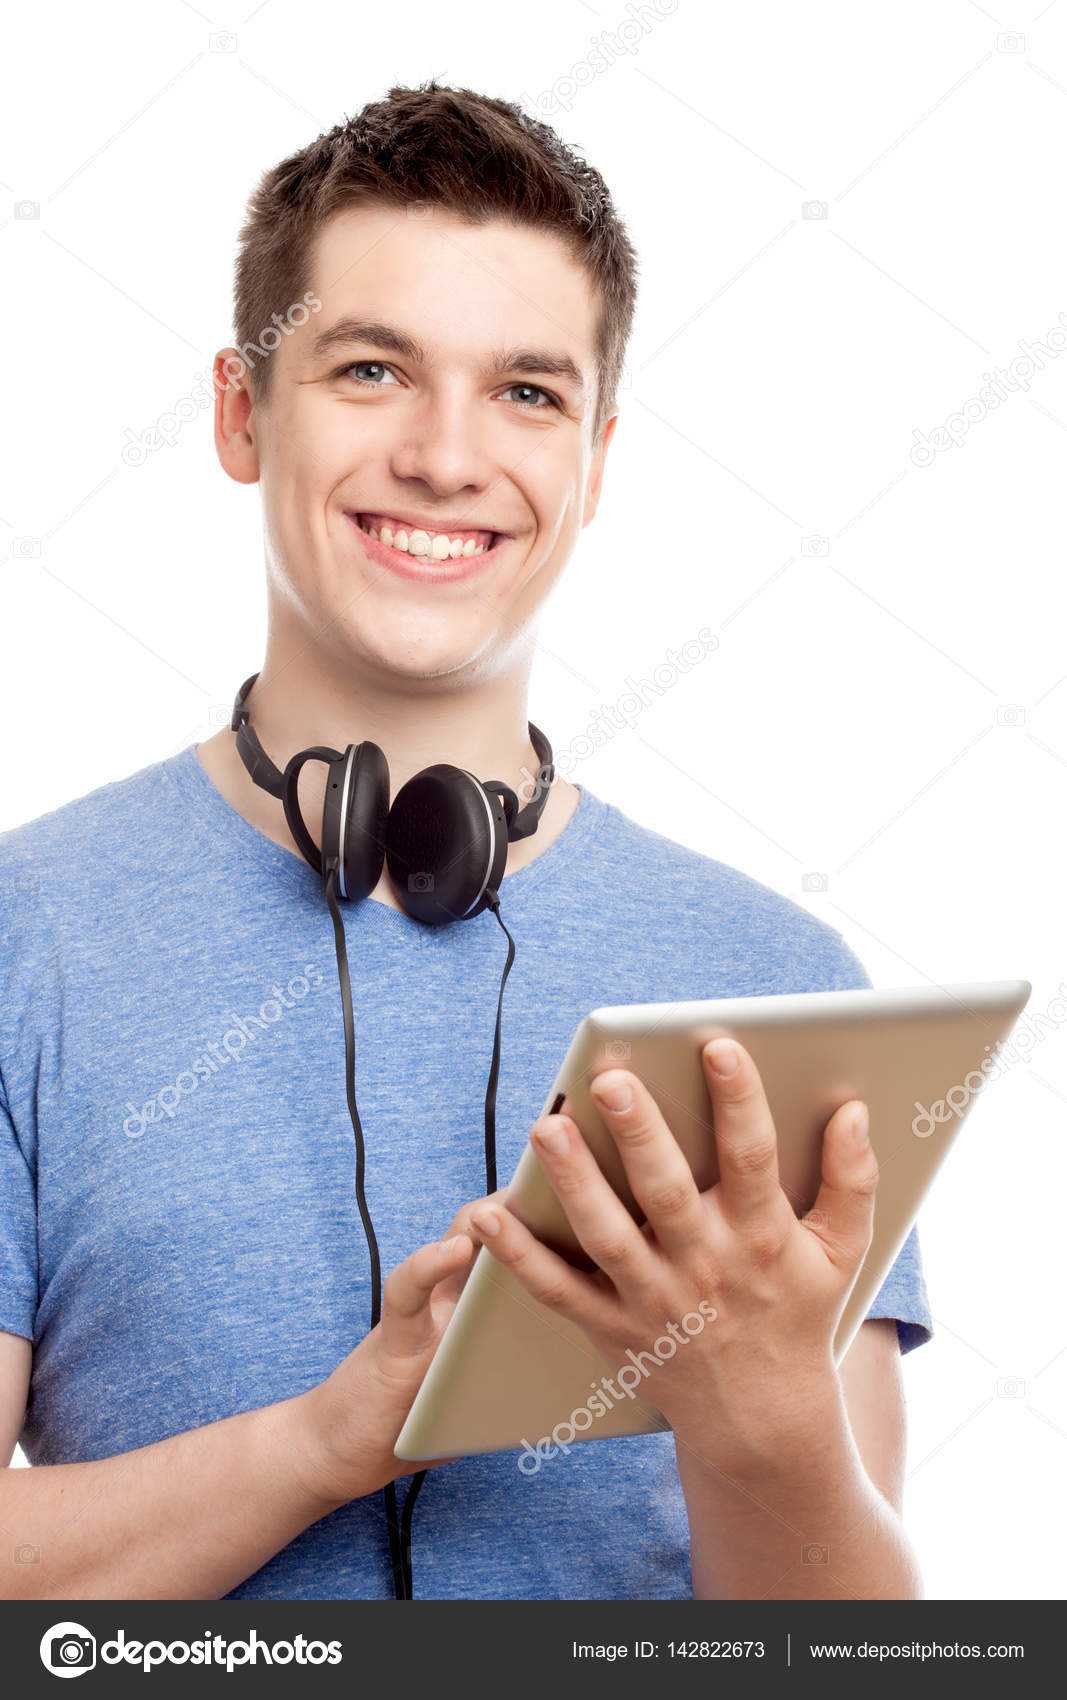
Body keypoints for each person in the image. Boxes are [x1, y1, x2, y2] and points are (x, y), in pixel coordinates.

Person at [0, 81, 931, 1602]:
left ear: (596, 460)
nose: (446, 457)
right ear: (243, 410)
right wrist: (326, 1441)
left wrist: (760, 1419)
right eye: (372, 369)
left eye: (527, 392)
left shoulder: (779, 981)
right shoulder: (22, 933)